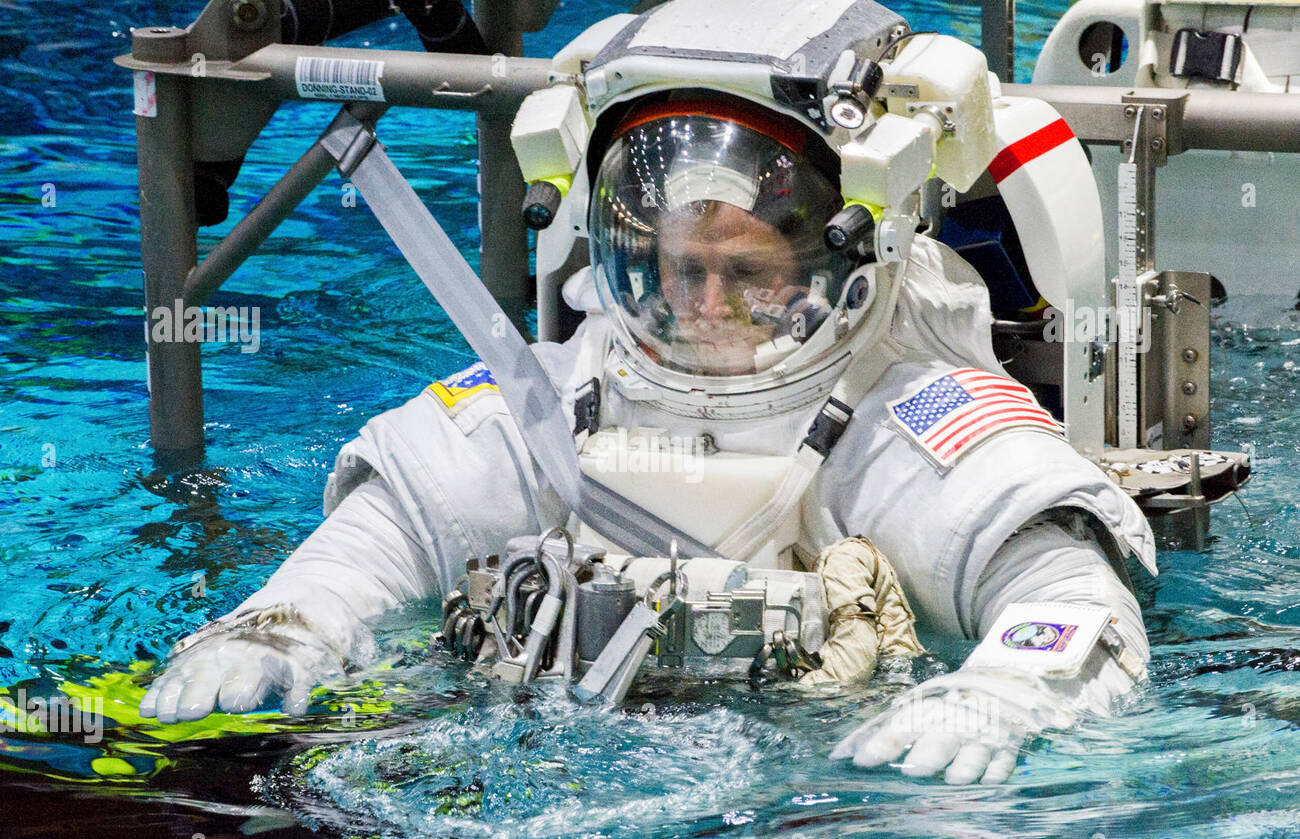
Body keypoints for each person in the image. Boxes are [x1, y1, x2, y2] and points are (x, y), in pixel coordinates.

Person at [141, 0, 1157, 786]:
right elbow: (384, 539)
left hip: (829, 822)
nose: (703, 307)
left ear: (849, 259)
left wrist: (1003, 695)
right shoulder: (550, 403)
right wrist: (277, 630)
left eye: (747, 274)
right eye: (675, 268)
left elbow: (1070, 603)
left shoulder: (905, 421)